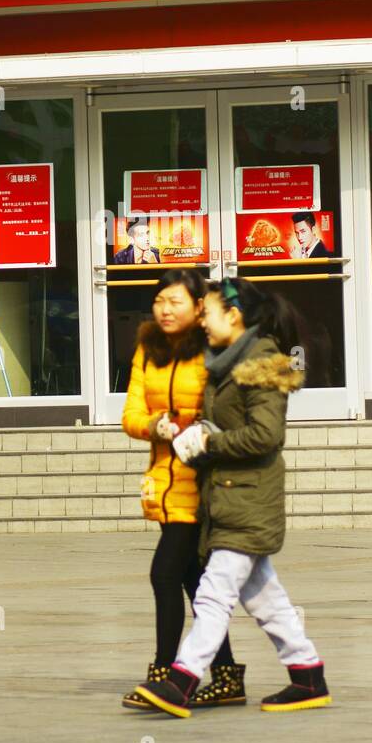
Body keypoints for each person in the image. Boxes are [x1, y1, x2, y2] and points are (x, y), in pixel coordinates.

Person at [132, 277, 332, 718]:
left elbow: (266, 434)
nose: (202, 320)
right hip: (228, 498)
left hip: (248, 499)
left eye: (210, 311)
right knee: (266, 600)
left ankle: (181, 682)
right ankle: (308, 676)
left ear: (234, 316)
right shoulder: (225, 363)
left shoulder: (260, 364)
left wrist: (209, 444)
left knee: (212, 594)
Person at [120, 269, 241, 710]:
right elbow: (130, 412)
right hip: (165, 478)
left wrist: (198, 429)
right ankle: (226, 674)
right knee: (194, 579)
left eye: (175, 301)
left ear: (197, 306)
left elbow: (230, 411)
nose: (165, 310)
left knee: (164, 574)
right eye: (159, 301)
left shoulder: (213, 347)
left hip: (205, 478)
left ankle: (166, 674)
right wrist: (155, 424)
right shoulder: (147, 348)